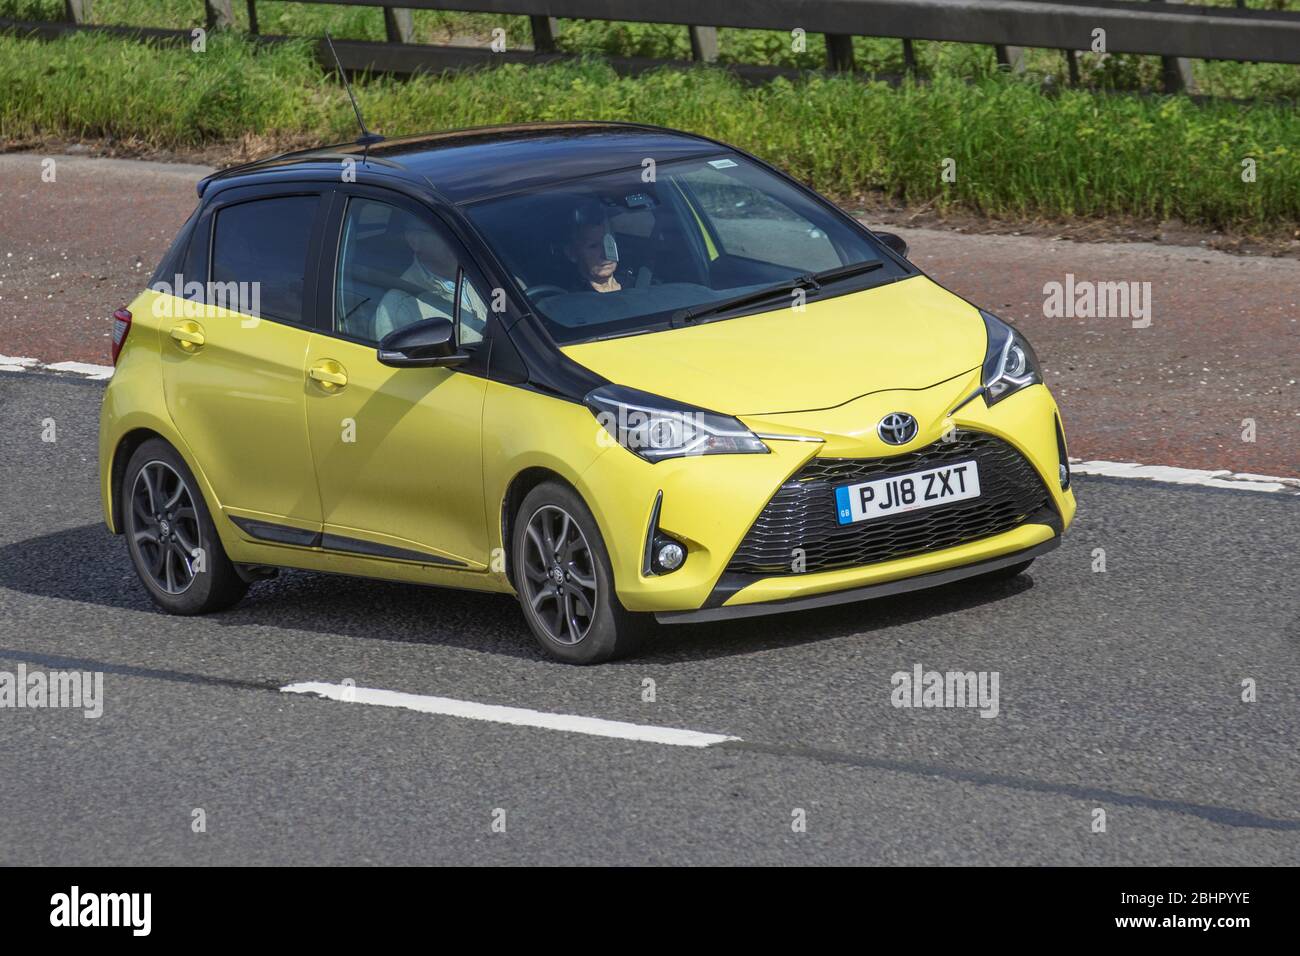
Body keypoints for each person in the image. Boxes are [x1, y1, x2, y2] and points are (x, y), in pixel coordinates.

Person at [374, 222, 485, 346]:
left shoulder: (493, 270)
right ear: (413, 240)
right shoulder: (400, 305)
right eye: (444, 231)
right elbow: (398, 361)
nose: (457, 238)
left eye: (462, 231)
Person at [564, 201, 632, 294]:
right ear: (572, 253)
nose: (606, 254)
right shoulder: (570, 300)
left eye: (609, 243)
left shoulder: (638, 287)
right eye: (593, 246)